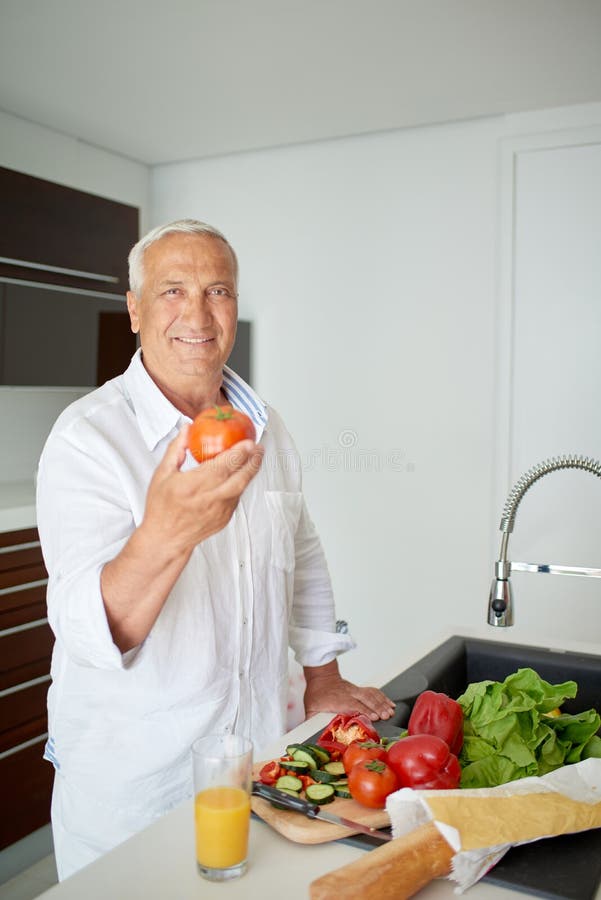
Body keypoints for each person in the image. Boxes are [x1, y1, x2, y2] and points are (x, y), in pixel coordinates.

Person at [36, 219, 395, 880]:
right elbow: (90, 633)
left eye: (218, 291)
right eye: (172, 290)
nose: (197, 313)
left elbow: (303, 551)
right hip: (136, 784)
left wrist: (322, 674)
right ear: (136, 311)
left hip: (251, 764)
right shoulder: (87, 439)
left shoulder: (265, 427)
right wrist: (164, 532)